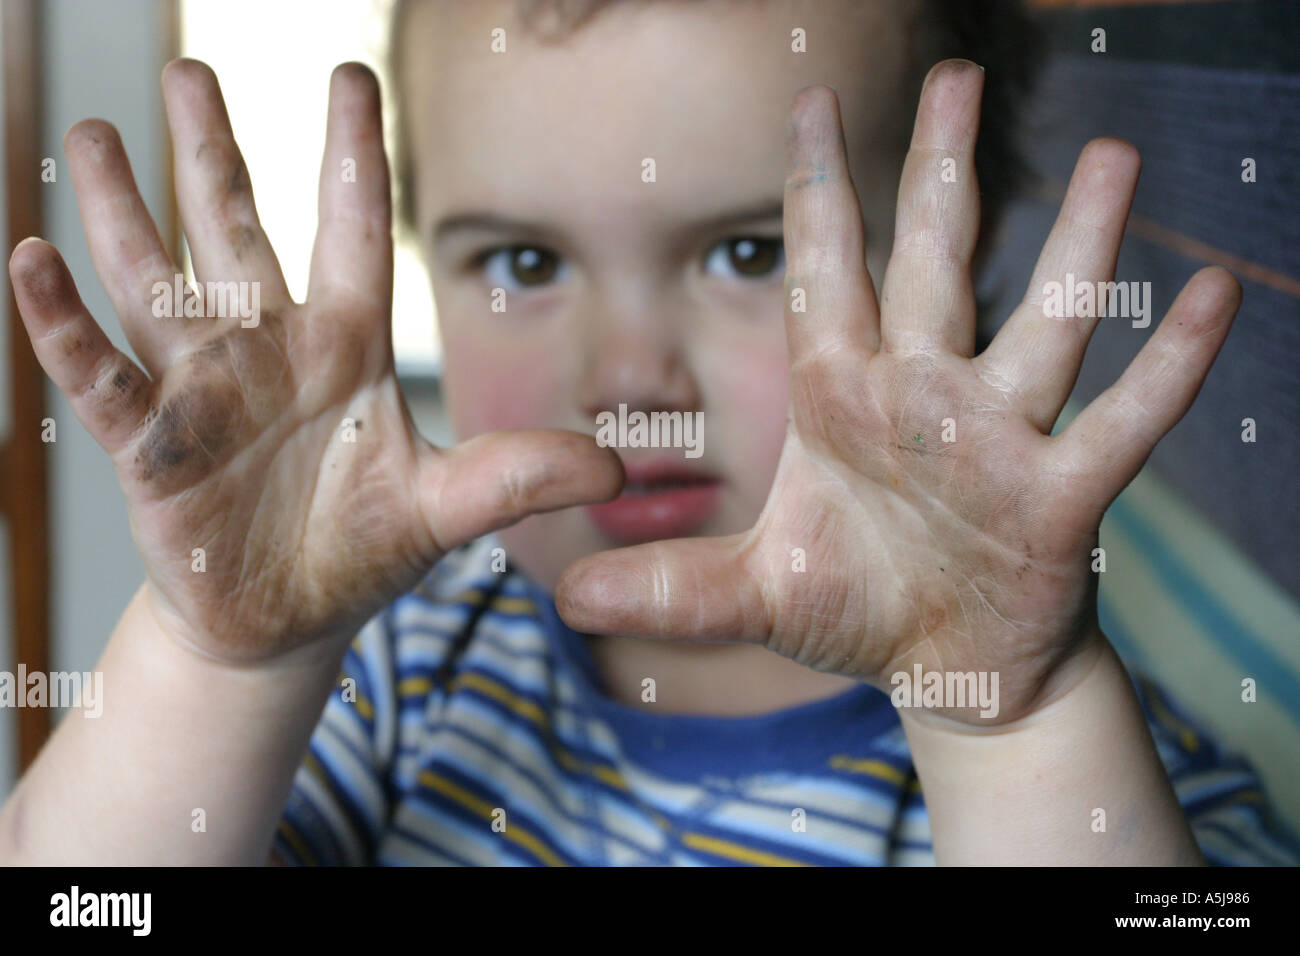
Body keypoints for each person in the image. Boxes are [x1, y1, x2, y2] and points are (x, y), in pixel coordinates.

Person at [4, 0, 1295, 866]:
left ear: (971, 258)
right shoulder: (387, 683)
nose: (629, 378)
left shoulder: (1097, 772)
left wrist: (1013, 733)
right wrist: (218, 667)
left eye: (748, 252)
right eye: (523, 258)